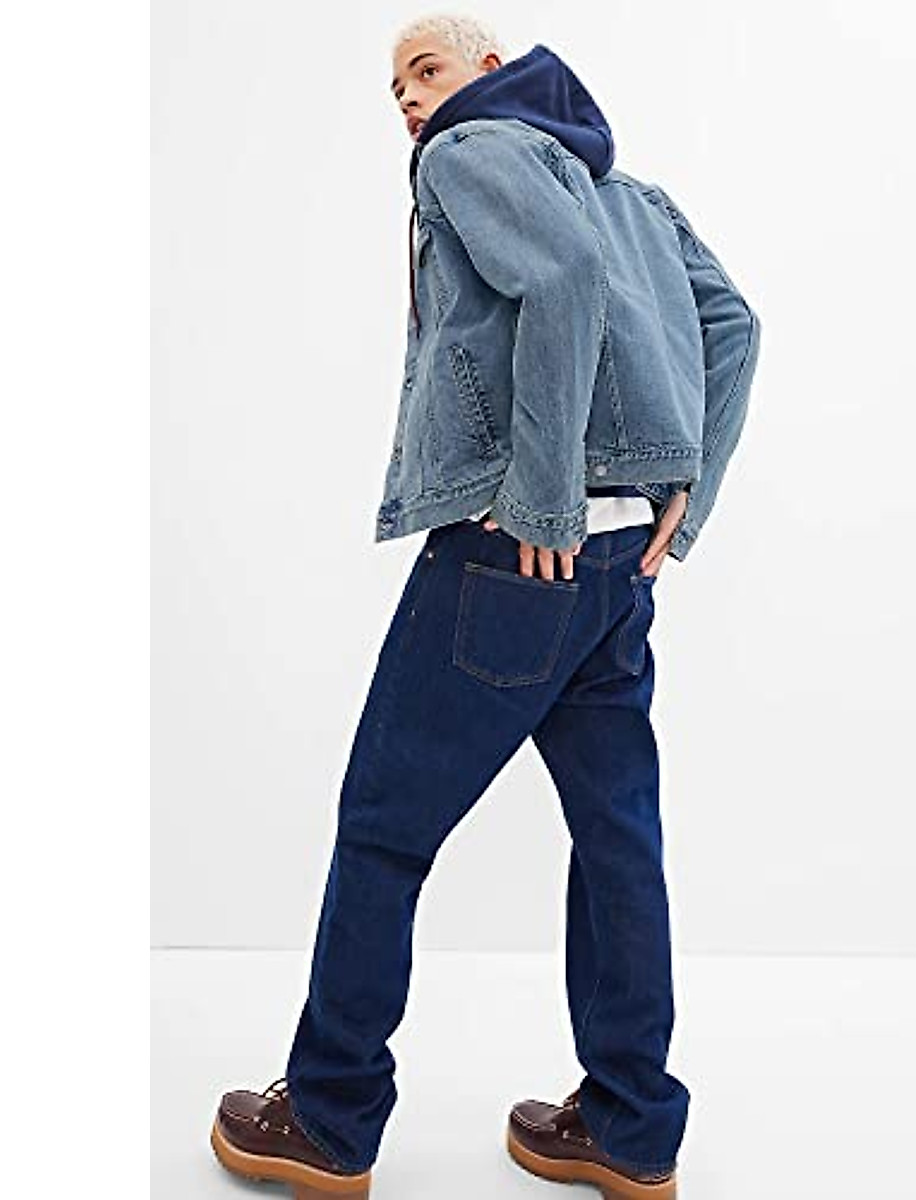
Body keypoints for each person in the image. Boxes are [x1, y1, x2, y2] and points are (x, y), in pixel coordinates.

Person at [209, 15, 762, 1200]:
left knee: (383, 828)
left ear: (492, 75)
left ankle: (329, 1117)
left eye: (428, 70)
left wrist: (546, 503)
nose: (411, 101)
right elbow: (735, 324)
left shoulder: (467, 150)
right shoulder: (636, 197)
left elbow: (559, 283)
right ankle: (632, 1124)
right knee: (618, 843)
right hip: (616, 576)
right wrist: (683, 501)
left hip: (512, 557)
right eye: (397, 88)